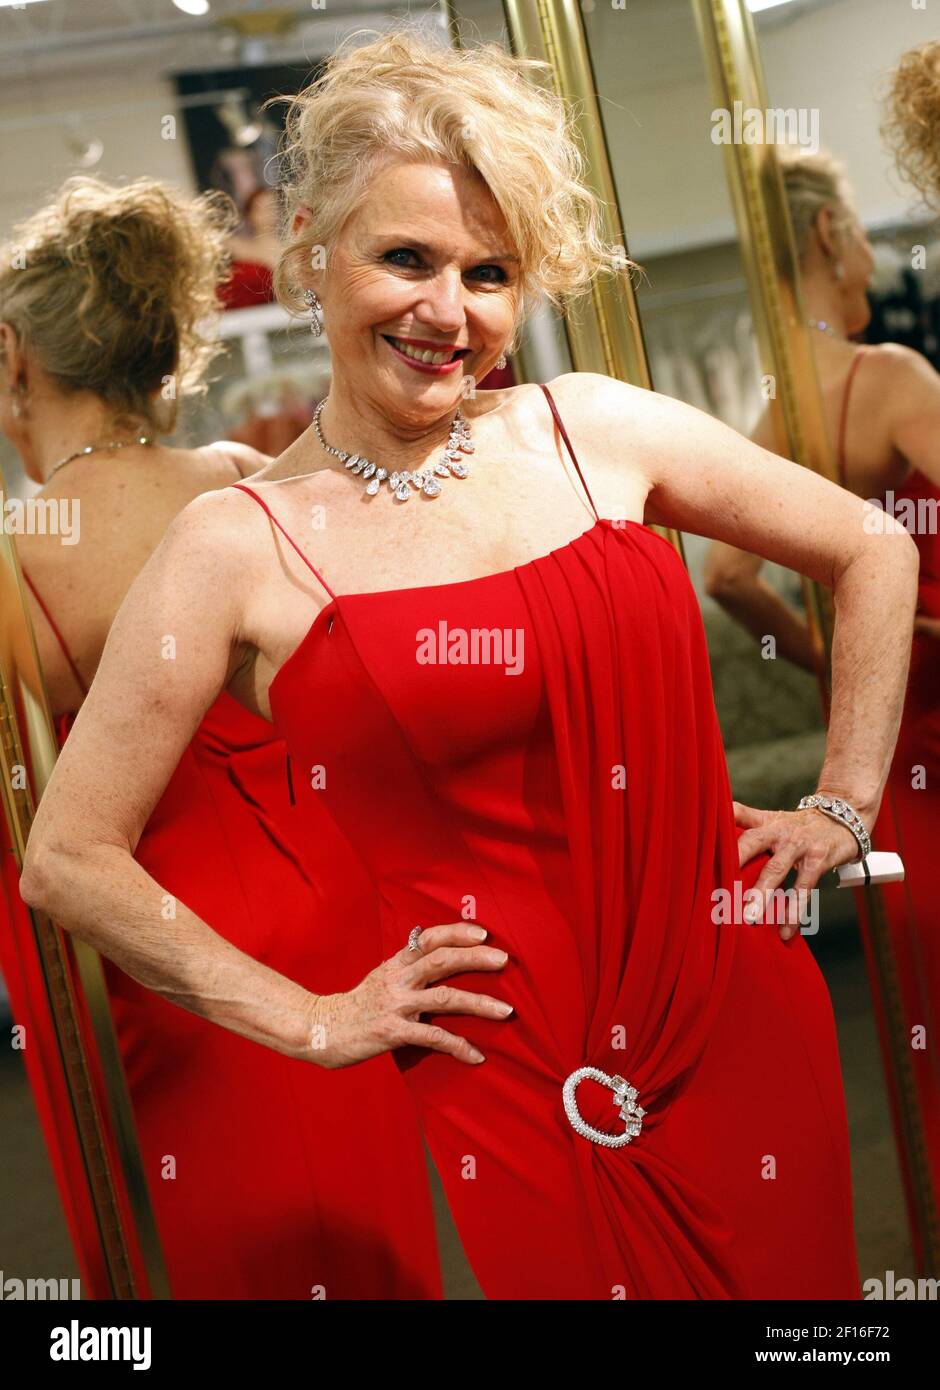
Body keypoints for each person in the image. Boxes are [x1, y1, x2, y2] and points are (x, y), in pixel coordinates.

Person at [19, 29, 921, 1300]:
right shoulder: (234, 544)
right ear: (314, 256)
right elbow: (68, 855)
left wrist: (843, 797)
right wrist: (313, 1017)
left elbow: (872, 550)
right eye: (406, 259)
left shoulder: (594, 426)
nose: (451, 312)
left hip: (735, 1013)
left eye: (489, 272)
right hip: (512, 1068)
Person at [0, 173, 440, 1299]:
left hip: (160, 955)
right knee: (362, 1235)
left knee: (208, 1256)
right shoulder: (247, 487)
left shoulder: (17, 561)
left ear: (13, 358)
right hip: (329, 915)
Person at [704, 147, 940, 1245]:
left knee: (922, 1004)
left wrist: (836, 670)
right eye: (858, 230)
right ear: (829, 239)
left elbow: (728, 578)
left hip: (895, 750)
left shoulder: (774, 410)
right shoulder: (886, 375)